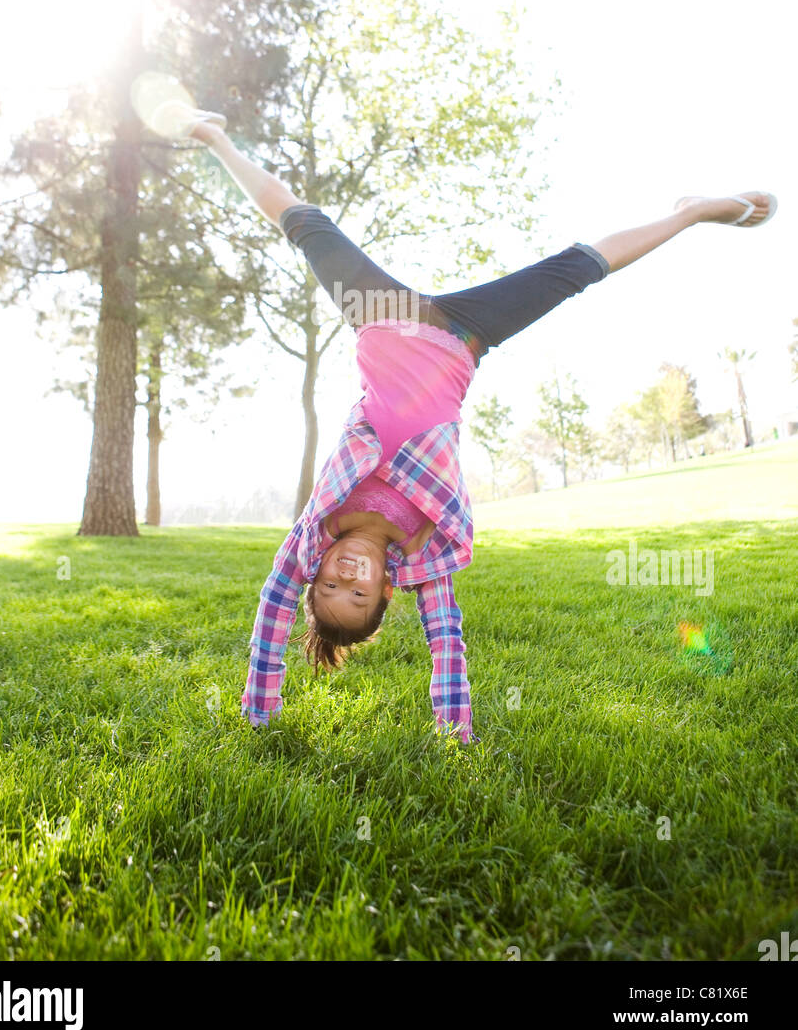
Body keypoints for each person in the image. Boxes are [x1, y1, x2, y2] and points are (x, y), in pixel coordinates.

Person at [180, 110, 775, 744]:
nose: (344, 579)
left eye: (326, 585)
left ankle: (217, 135)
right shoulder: (425, 556)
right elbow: (447, 644)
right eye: (355, 596)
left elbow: (273, 616)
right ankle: (687, 213)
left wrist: (260, 711)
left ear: (316, 566)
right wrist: (454, 733)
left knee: (304, 226)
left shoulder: (314, 528)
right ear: (386, 593)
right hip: (464, 338)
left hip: (379, 315)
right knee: (574, 269)